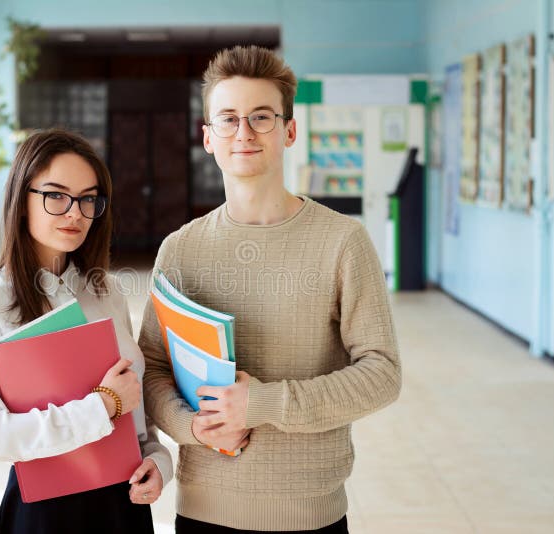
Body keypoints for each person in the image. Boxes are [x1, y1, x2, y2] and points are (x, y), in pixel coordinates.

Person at [139, 46, 401, 533]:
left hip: (310, 516)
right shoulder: (180, 249)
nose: (244, 133)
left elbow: (383, 372)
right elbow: (151, 369)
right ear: (208, 137)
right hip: (201, 512)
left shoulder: (343, 241)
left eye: (261, 117)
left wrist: (263, 403)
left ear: (289, 131)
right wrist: (191, 426)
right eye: (228, 119)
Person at [0, 129, 172, 533]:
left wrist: (158, 461)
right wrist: (101, 406)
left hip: (121, 506)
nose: (75, 213)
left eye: (88, 199)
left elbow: (136, 411)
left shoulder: (107, 293)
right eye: (56, 195)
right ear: (22, 201)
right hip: (44, 512)